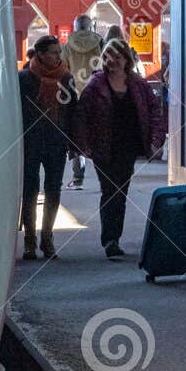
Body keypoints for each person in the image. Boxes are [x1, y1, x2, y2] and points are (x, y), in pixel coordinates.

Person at [76, 36, 166, 259]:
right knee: (110, 191)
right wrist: (84, 145)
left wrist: (156, 140)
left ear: (126, 59)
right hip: (103, 147)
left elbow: (154, 112)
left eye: (117, 56)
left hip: (127, 147)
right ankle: (110, 240)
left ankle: (115, 236)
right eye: (108, 56)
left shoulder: (138, 85)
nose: (113, 61)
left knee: (120, 191)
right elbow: (82, 116)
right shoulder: (95, 86)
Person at [18, 34, 77, 261]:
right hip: (30, 141)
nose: (58, 56)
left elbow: (72, 111)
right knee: (30, 190)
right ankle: (30, 241)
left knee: (54, 189)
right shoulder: (24, 79)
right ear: (41, 54)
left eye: (59, 52)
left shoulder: (66, 78)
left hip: (56, 142)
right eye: (54, 52)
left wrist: (73, 142)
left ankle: (47, 238)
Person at [62, 14, 104, 186]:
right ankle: (104, 177)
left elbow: (64, 70)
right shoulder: (100, 43)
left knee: (76, 134)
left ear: (75, 27)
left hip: (75, 95)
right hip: (97, 94)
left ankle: (78, 176)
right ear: (90, 26)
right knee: (99, 134)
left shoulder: (67, 46)